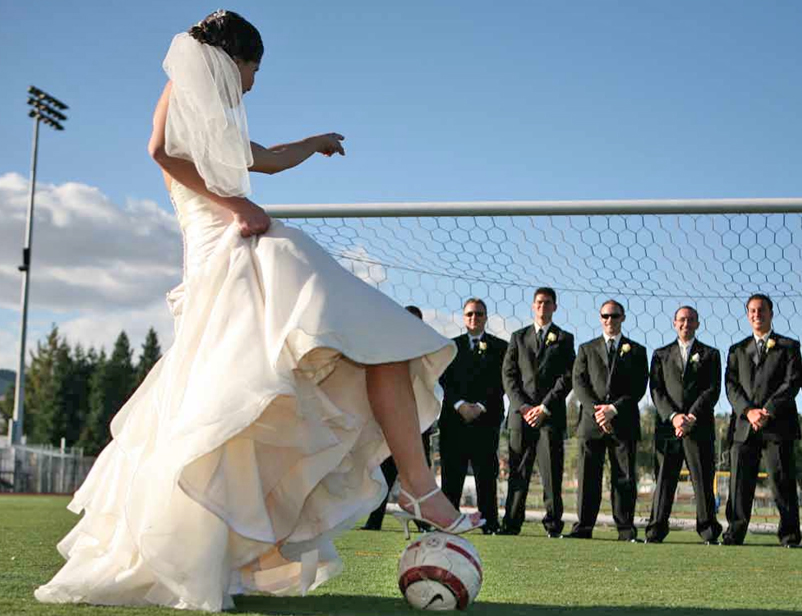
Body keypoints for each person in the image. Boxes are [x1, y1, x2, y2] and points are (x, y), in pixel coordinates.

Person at [35, 11, 479, 611]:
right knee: (274, 387)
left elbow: (263, 158)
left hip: (244, 248)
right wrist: (232, 206)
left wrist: (313, 144)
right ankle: (417, 489)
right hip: (230, 249)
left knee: (272, 396)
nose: (253, 84)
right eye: (253, 69)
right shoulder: (181, 91)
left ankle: (415, 488)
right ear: (230, 58)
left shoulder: (215, 118)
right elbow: (159, 151)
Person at [722, 294, 802, 547]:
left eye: (762, 310)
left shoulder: (789, 346)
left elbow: (791, 383)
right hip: (745, 427)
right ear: (747, 315)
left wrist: (766, 411)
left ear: (771, 313)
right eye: (752, 311)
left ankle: (789, 534)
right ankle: (734, 533)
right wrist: (748, 411)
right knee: (739, 483)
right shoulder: (736, 350)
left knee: (782, 480)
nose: (757, 314)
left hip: (777, 426)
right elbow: (731, 386)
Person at [566, 300, 648, 541]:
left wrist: (613, 409)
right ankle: (583, 528)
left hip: (623, 422)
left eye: (614, 316)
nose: (609, 320)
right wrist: (597, 412)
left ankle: (625, 529)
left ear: (622, 318)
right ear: (600, 318)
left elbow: (639, 386)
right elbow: (579, 383)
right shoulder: (586, 349)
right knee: (588, 477)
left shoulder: (637, 350)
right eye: (605, 316)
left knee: (624, 478)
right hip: (591, 424)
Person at [499, 287, 575, 537]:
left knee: (551, 473)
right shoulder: (518, 337)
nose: (543, 306)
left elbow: (567, 377)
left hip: (549, 416)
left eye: (548, 303)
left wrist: (544, 407)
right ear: (533, 306)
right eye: (539, 302)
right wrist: (523, 406)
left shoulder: (564, 339)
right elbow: (508, 375)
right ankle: (511, 523)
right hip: (521, 416)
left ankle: (553, 525)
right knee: (518, 472)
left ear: (555, 307)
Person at [645, 306, 722, 544]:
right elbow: (656, 390)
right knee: (665, 479)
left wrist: (690, 417)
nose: (685, 323)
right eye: (681, 319)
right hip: (669, 427)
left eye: (690, 320)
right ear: (674, 323)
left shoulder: (710, 354)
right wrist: (674, 416)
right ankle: (656, 529)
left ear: (697, 324)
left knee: (702, 480)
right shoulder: (660, 354)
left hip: (698, 427)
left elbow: (713, 389)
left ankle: (708, 530)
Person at [361, 305, 435, 533]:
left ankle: (424, 523)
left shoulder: (428, 352)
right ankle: (374, 522)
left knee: (418, 475)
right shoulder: (387, 350)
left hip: (418, 426)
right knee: (385, 474)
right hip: (390, 426)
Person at [438, 298, 508, 535]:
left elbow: (503, 381)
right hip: (454, 420)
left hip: (485, 419)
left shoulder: (501, 347)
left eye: (478, 314)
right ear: (463, 317)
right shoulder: (450, 346)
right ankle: (447, 521)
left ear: (486, 317)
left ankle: (489, 522)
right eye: (469, 314)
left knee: (486, 473)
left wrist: (479, 406)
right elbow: (443, 380)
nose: (474, 318)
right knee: (452, 473)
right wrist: (459, 405)